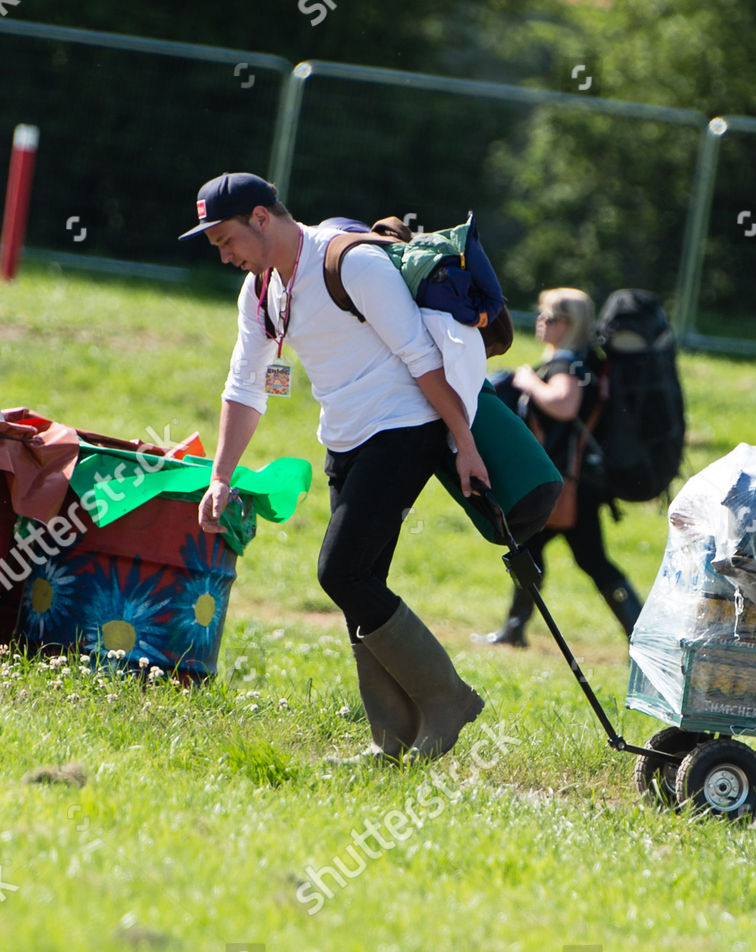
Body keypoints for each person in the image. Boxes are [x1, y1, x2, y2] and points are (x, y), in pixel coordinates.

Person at [182, 172, 490, 763]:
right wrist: (220, 475)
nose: (223, 255)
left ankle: (446, 699)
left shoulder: (351, 264)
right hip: (345, 438)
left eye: (225, 239)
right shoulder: (260, 292)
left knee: (340, 572)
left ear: (262, 218)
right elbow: (246, 386)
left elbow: (422, 359)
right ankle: (391, 741)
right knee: (361, 582)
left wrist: (464, 442)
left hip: (404, 426)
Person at [482, 288, 643, 647]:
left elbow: (564, 404)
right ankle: (514, 628)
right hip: (574, 479)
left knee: (590, 560)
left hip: (571, 484)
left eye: (550, 317)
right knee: (535, 550)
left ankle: (641, 635)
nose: (542, 322)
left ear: (570, 324)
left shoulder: (567, 364)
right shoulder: (584, 361)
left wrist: (528, 383)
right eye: (541, 314)